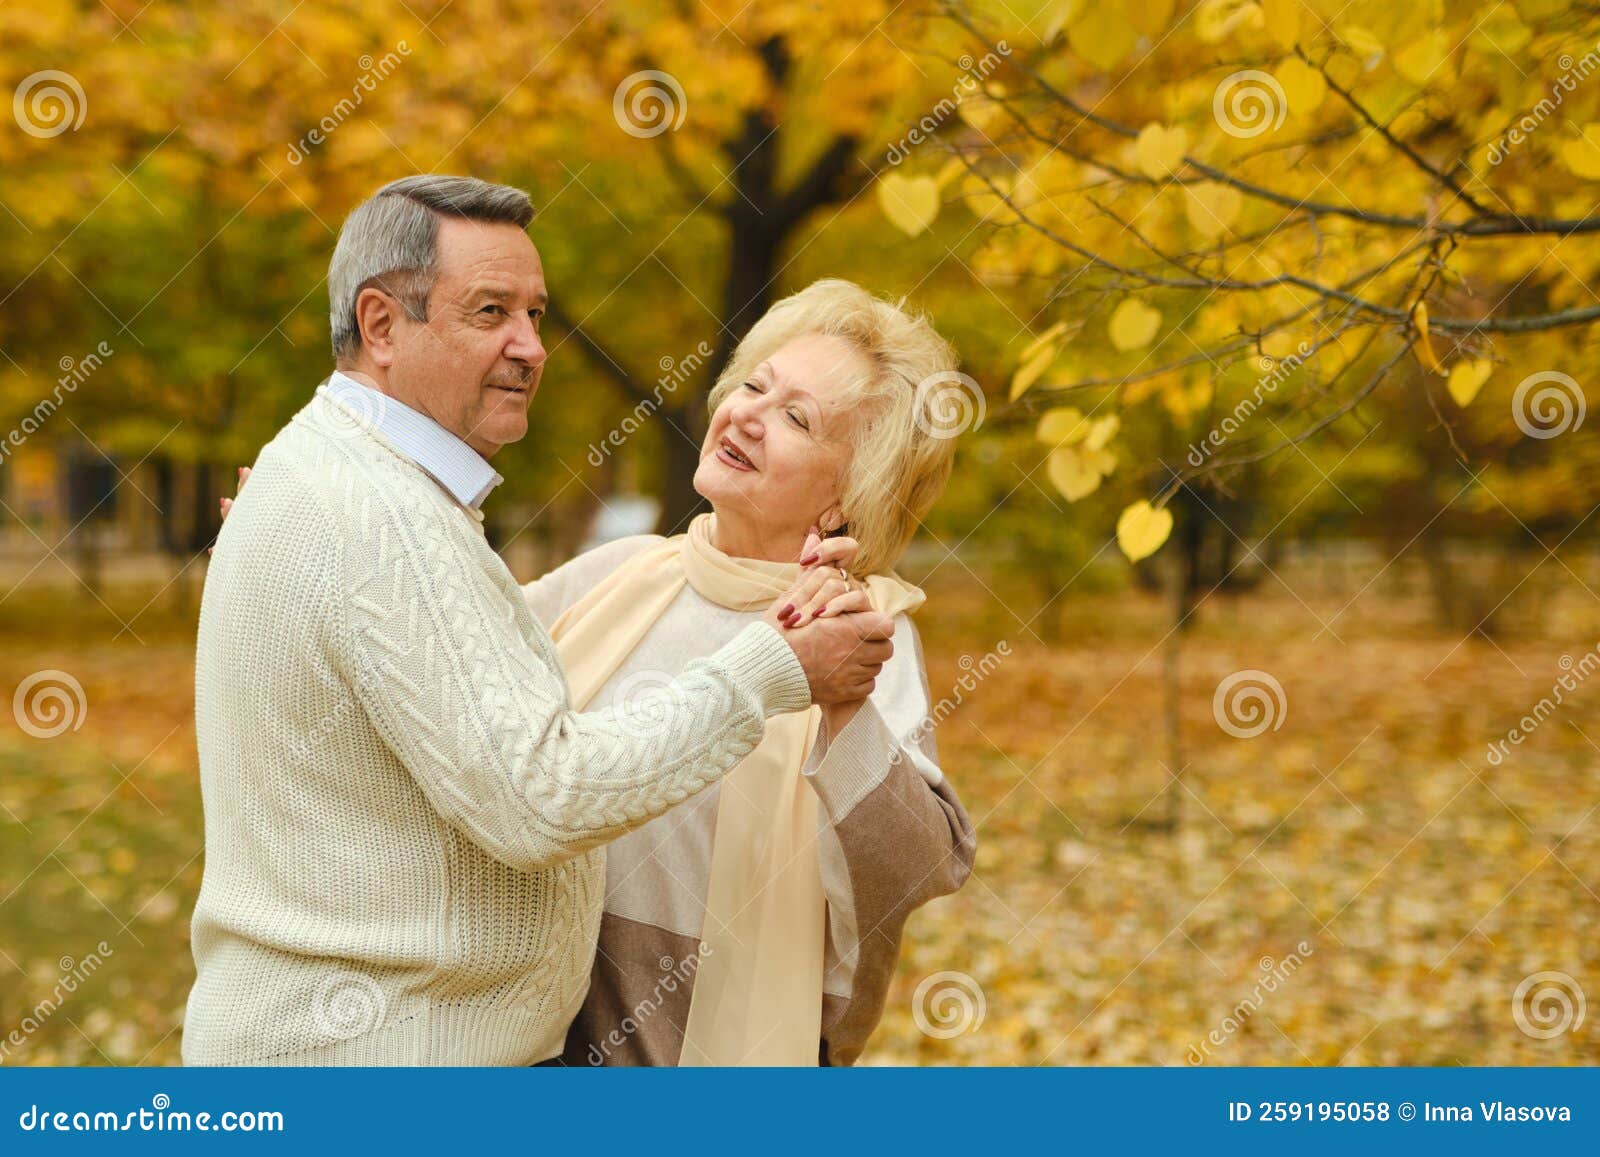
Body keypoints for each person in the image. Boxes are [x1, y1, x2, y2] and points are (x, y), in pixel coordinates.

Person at [182, 176, 895, 1067]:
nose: (530, 347)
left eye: (535, 314)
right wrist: (773, 671)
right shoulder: (377, 514)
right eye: (490, 312)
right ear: (380, 325)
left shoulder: (347, 483)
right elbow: (542, 795)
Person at [533, 280, 977, 1066]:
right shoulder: (616, 575)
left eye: (796, 418)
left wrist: (843, 711)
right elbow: (448, 679)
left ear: (848, 495)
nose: (747, 415)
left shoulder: (863, 631)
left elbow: (918, 866)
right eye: (753, 385)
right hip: (535, 1040)